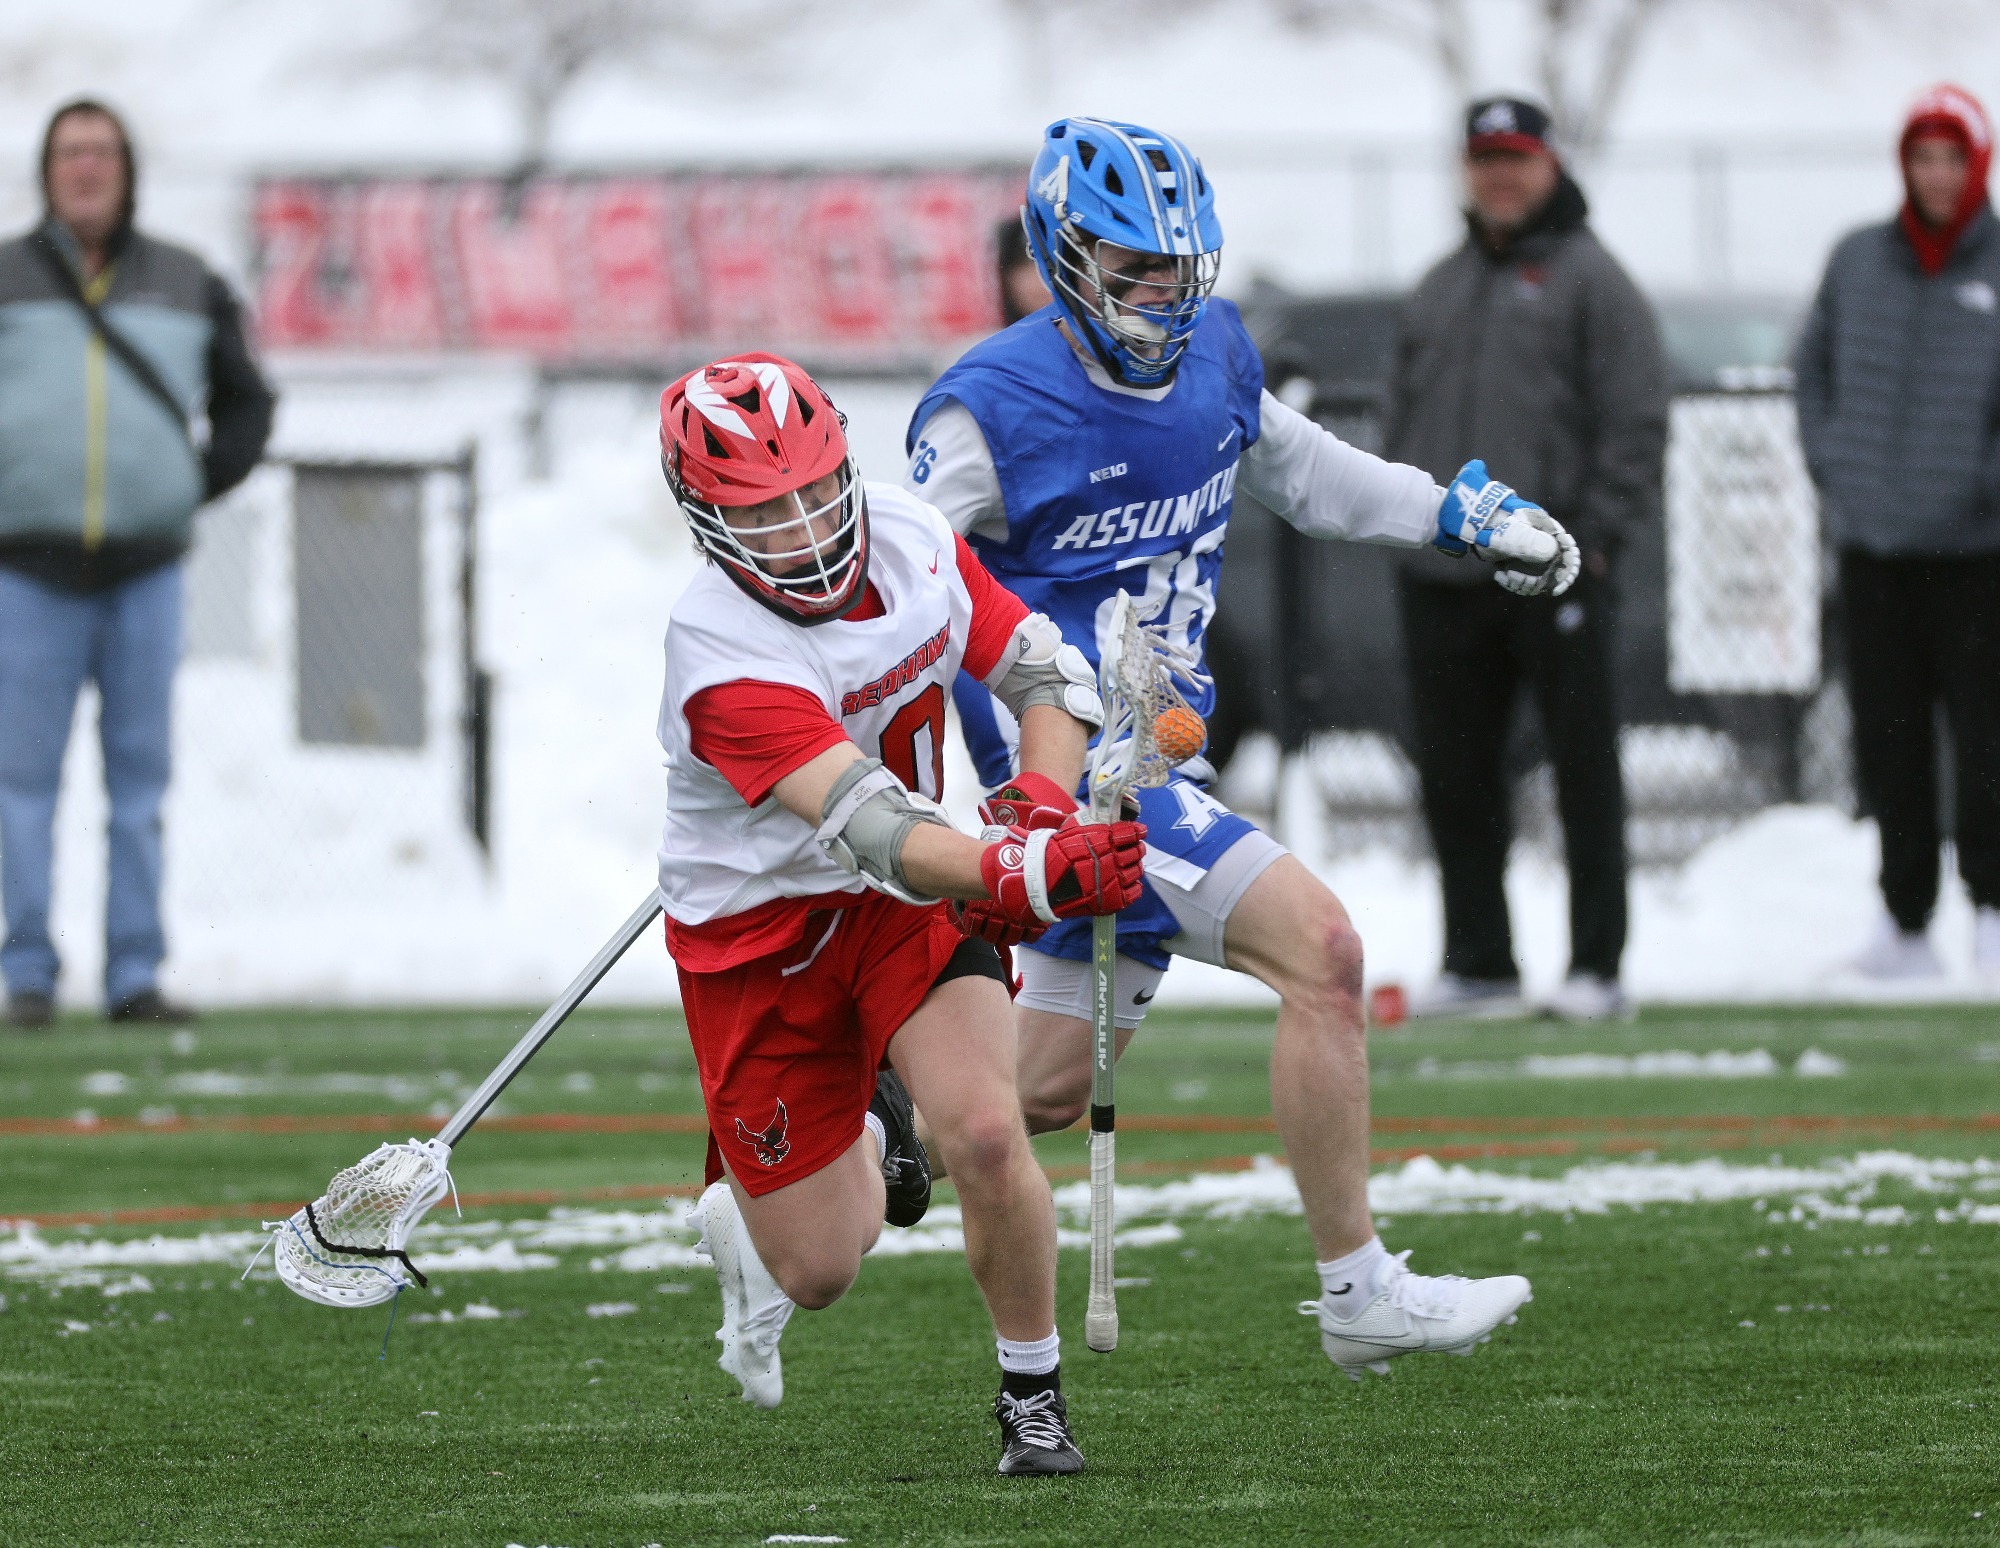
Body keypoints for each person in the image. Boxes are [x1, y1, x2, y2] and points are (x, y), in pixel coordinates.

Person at [904, 118, 1565, 1380]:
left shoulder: (1209, 353)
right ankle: (1358, 1288)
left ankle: (797, 1173)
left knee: (1031, 1095)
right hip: (1082, 780)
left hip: (1164, 762)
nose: (1162, 294)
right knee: (1325, 952)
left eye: (1176, 266)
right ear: (1065, 253)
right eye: (1134, 268)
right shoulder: (985, 409)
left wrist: (1451, 512)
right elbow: (907, 588)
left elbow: (1307, 475)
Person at [655, 353, 1145, 1473]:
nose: (803, 527)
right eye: (762, 513)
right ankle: (866, 1124)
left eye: (816, 490)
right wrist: (1014, 873)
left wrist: (1036, 810)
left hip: (899, 908)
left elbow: (1047, 679)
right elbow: (871, 828)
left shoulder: (915, 534)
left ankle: (1032, 1398)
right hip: (759, 939)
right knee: (823, 1266)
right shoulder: (717, 652)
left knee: (983, 1125)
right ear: (705, 523)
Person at [1385, 97, 1668, 1023]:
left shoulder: (1594, 280)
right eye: (1483, 158)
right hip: (1445, 577)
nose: (1499, 175)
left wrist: (1591, 547)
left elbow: (1634, 425)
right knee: (1456, 774)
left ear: (1547, 164)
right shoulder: (1439, 283)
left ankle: (1597, 966)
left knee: (1584, 771)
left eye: (1515, 157)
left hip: (1556, 575)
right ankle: (1480, 958)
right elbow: (1401, 425)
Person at [0, 99, 275, 1029]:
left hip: (147, 573)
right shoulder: (5, 276)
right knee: (21, 781)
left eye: (101, 152)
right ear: (47, 169)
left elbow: (248, 403)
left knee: (140, 785)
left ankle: (134, 975)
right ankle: (29, 972)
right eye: (69, 152)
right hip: (25, 574)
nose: (85, 168)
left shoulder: (188, 279)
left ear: (126, 169)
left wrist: (184, 486)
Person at [1794, 84, 2000, 981]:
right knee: (1890, 744)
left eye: (1954, 157)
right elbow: (1813, 374)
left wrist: (1976, 492)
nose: (1939, 175)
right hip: (1874, 555)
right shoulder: (1856, 261)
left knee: (1987, 743)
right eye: (1925, 156)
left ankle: (1992, 915)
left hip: (1977, 558)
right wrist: (1842, 474)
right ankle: (1905, 922)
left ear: (1978, 165)